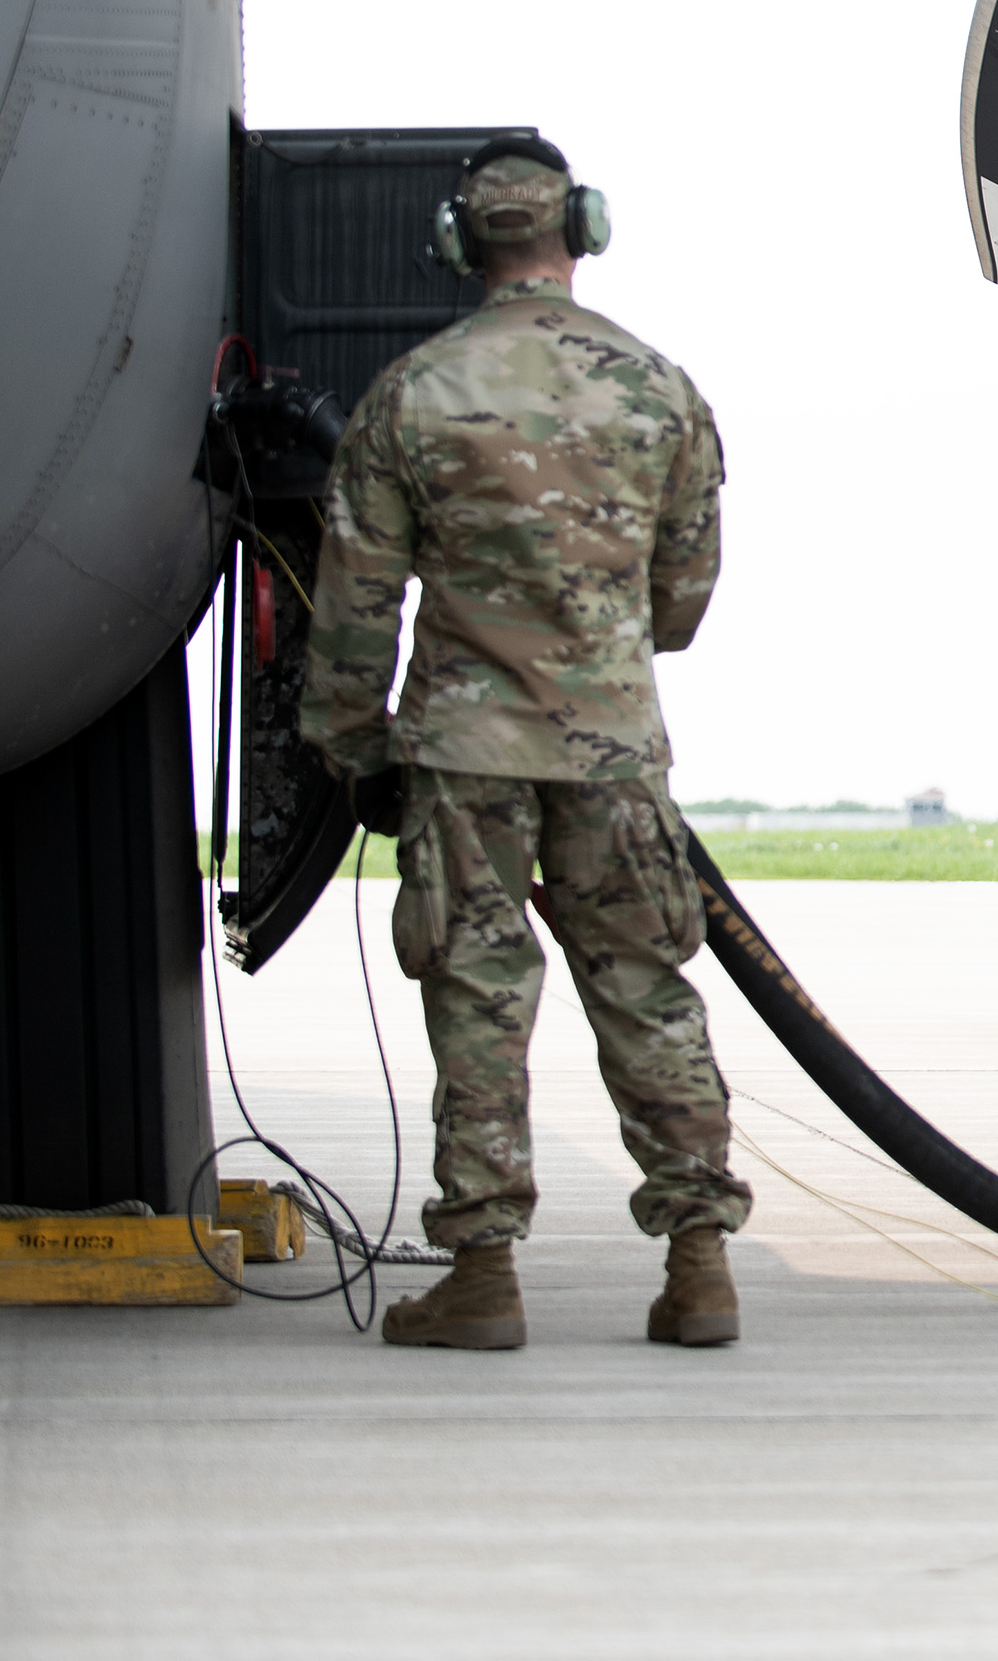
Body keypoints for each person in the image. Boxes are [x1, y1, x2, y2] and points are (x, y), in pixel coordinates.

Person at [301, 138, 751, 1352]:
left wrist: (350, 740)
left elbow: (357, 597)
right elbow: (686, 596)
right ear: (582, 228)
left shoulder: (414, 392)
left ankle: (485, 1276)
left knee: (479, 998)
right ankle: (699, 1265)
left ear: (462, 242)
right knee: (647, 988)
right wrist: (601, 646)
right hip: (611, 748)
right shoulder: (658, 389)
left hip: (465, 752)